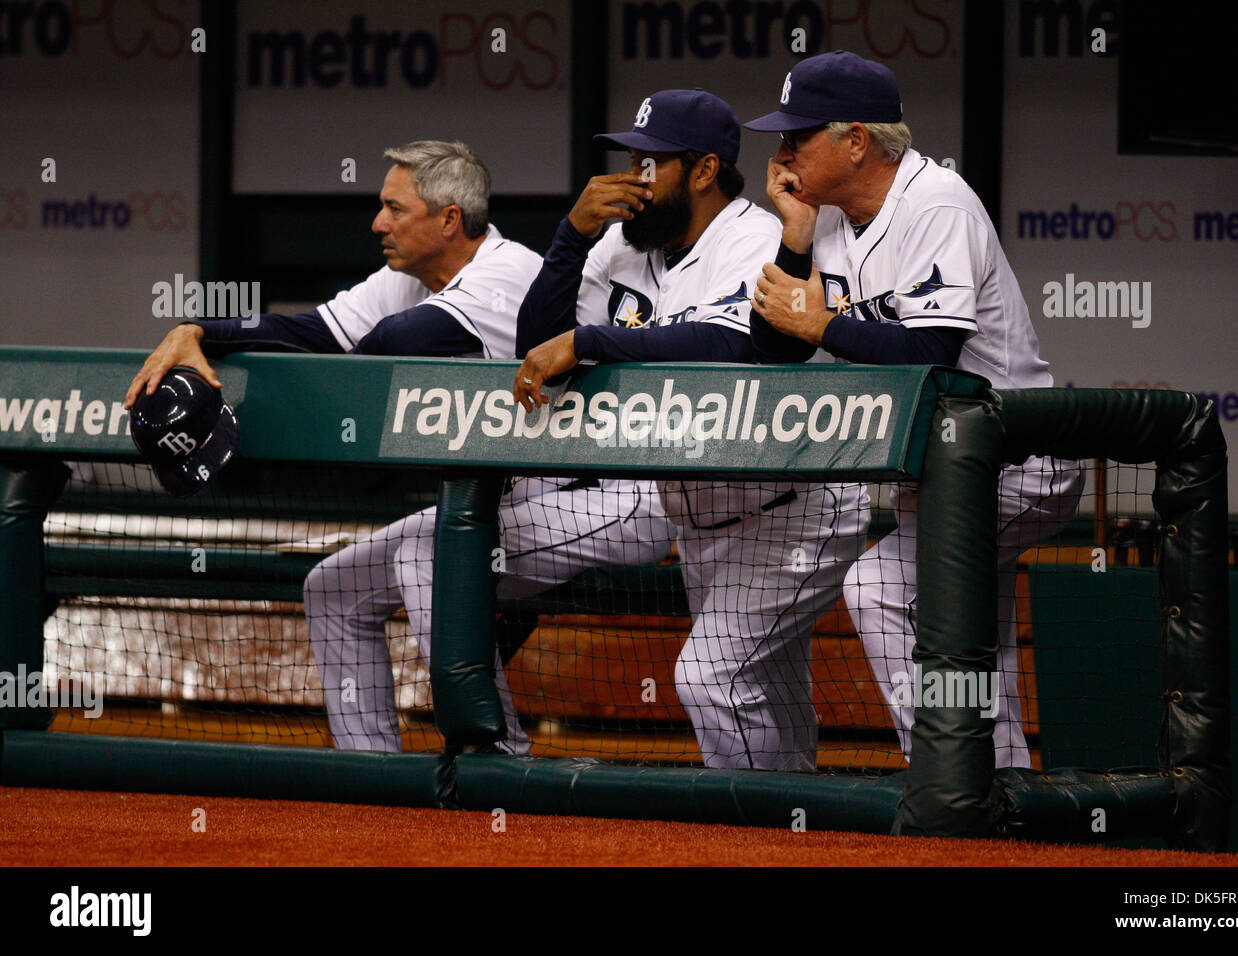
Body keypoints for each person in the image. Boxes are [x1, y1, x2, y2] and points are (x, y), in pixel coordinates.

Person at [124, 140, 673, 754]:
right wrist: (199, 329)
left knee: (424, 551)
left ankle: (499, 757)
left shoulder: (508, 273)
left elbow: (387, 343)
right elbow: (310, 332)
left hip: (607, 495)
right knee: (332, 587)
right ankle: (370, 768)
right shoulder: (405, 278)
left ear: (448, 220)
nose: (377, 222)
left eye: (394, 207)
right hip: (522, 504)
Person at [512, 88, 871, 772]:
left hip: (792, 510)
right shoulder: (618, 244)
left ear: (703, 171)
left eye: (652, 163)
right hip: (700, 515)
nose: (632, 179)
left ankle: (753, 837)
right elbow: (537, 347)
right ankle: (796, 828)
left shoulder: (755, 236)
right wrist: (571, 238)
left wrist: (591, 341)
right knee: (766, 691)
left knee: (710, 678)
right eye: (630, 161)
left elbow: (733, 348)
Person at [745, 51, 1084, 769]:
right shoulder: (832, 220)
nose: (779, 155)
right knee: (973, 642)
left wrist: (823, 325)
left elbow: (932, 349)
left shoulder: (937, 202)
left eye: (796, 138)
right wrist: (797, 234)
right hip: (939, 473)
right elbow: (776, 352)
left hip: (1016, 463)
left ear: (856, 140)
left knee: (876, 587)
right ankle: (1000, 795)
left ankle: (946, 773)